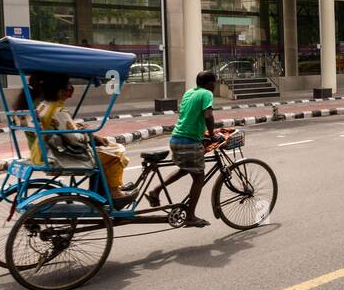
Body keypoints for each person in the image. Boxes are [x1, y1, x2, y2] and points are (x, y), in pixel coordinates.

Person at [31, 73, 131, 203]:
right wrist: (87, 134)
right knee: (117, 152)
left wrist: (85, 132)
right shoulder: (58, 111)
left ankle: (103, 190)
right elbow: (75, 139)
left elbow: (63, 130)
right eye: (68, 89)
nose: (69, 92)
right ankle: (114, 192)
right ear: (61, 91)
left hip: (48, 150)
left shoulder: (43, 106)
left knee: (108, 149)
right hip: (65, 155)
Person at [145, 70, 218, 226]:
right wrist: (212, 134)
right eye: (215, 83)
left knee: (185, 169)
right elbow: (208, 116)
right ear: (210, 83)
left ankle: (155, 190)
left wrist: (201, 133)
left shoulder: (189, 92)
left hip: (176, 139)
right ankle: (190, 216)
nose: (215, 86)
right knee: (199, 177)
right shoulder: (207, 94)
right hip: (189, 142)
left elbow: (190, 116)